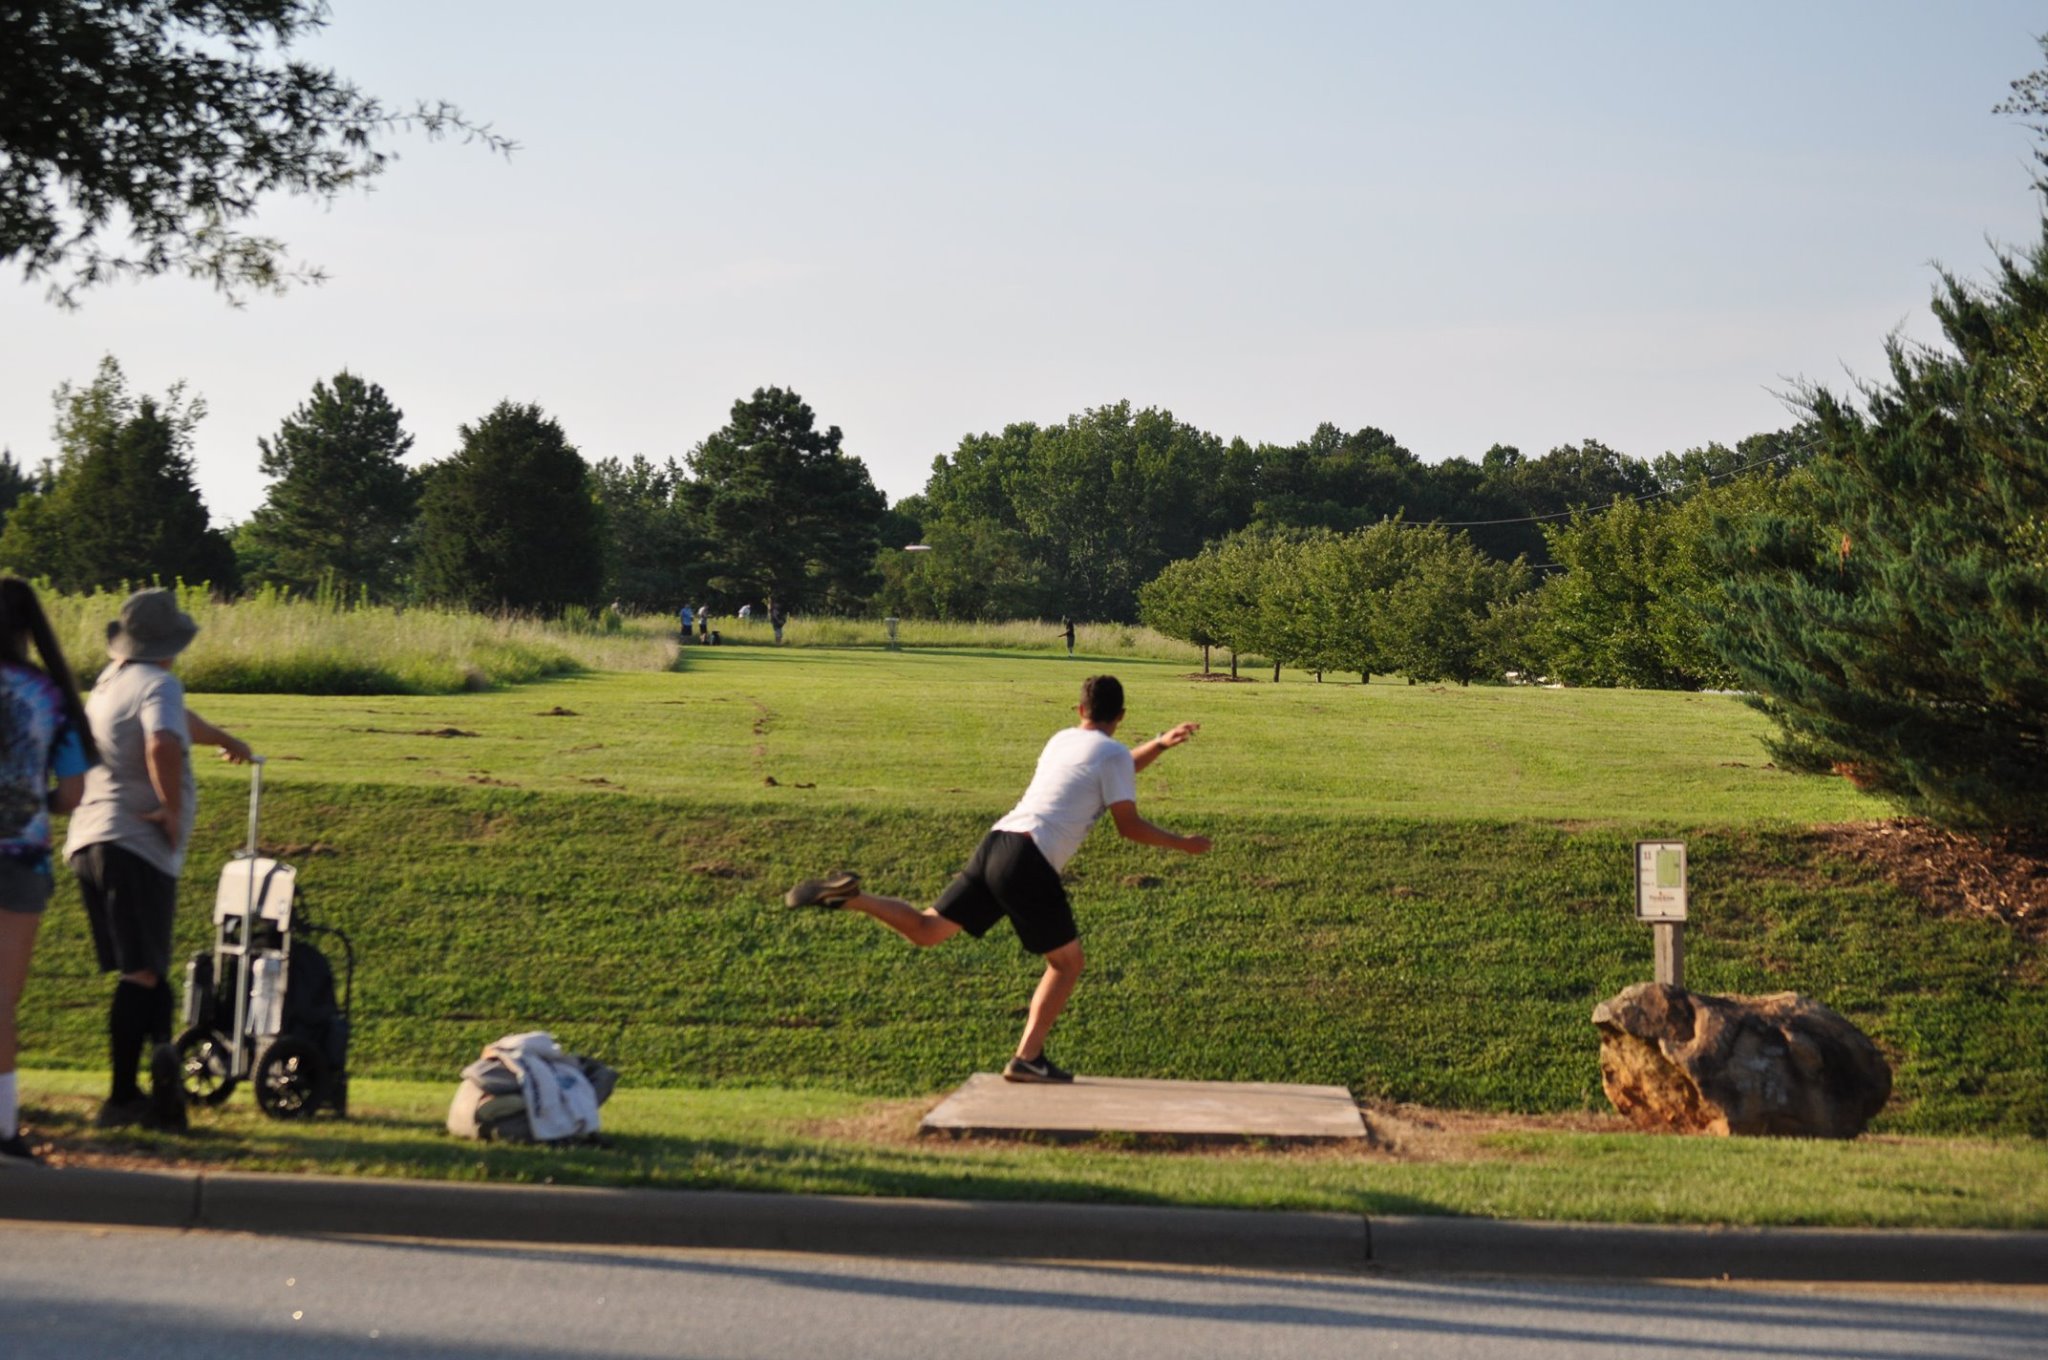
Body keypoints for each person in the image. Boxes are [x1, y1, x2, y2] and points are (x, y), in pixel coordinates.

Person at [784, 675, 1209, 1082]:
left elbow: (1112, 769)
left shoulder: (1063, 740)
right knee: (1067, 963)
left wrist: (1158, 744)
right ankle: (1027, 1059)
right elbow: (1128, 824)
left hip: (999, 842)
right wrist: (1183, 843)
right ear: (1121, 715)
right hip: (1031, 858)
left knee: (929, 929)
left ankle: (853, 897)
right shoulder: (1112, 753)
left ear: (1081, 709)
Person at [64, 589, 253, 1130]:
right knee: (143, 974)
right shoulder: (160, 683)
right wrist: (171, 809)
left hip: (91, 841)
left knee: (143, 970)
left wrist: (222, 737)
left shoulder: (110, 683)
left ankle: (156, 1078)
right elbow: (163, 741)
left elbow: (175, 721)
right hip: (133, 844)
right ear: (170, 644)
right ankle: (124, 1099)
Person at [0, 578, 97, 1163]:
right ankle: (4, 1129)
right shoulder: (49, 693)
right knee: (1, 1004)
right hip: (22, 858)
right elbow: (73, 793)